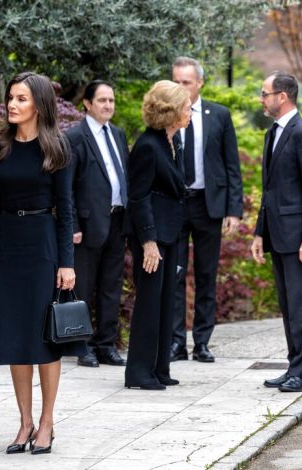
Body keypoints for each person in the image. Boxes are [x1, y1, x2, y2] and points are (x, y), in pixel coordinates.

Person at [0, 72, 84, 455]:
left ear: (38, 104)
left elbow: (66, 209)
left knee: (43, 338)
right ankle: (23, 422)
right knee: (14, 337)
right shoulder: (0, 146)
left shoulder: (57, 148)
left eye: (21, 99)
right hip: (9, 244)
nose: (12, 104)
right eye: (10, 97)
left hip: (42, 242)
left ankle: (46, 422)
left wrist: (66, 262)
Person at [251, 71, 302, 393]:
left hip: (298, 237)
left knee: (299, 306)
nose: (261, 99)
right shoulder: (274, 132)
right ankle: (294, 367)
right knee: (287, 305)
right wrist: (259, 233)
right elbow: (269, 190)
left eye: (264, 93)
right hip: (277, 233)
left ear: (281, 97)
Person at [170, 57, 244, 363]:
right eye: (176, 81)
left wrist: (234, 210)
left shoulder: (219, 116)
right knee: (174, 275)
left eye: (186, 82)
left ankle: (202, 342)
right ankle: (176, 342)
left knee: (206, 274)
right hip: (174, 204)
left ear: (199, 83)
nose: (180, 87)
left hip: (208, 205)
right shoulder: (166, 114)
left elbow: (231, 165)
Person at [124, 80, 191, 390]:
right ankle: (139, 372)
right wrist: (148, 242)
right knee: (150, 302)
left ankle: (159, 367)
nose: (190, 111)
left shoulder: (171, 141)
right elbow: (138, 197)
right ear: (171, 111)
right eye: (186, 107)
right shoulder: (148, 146)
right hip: (152, 237)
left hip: (170, 233)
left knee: (166, 303)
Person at [65, 80, 129, 368]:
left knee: (111, 286)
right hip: (87, 225)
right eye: (102, 100)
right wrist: (73, 224)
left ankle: (106, 345)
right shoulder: (75, 136)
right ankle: (83, 346)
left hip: (117, 220)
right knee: (84, 288)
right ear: (87, 104)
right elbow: (66, 186)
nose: (108, 106)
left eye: (111, 101)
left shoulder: (117, 134)